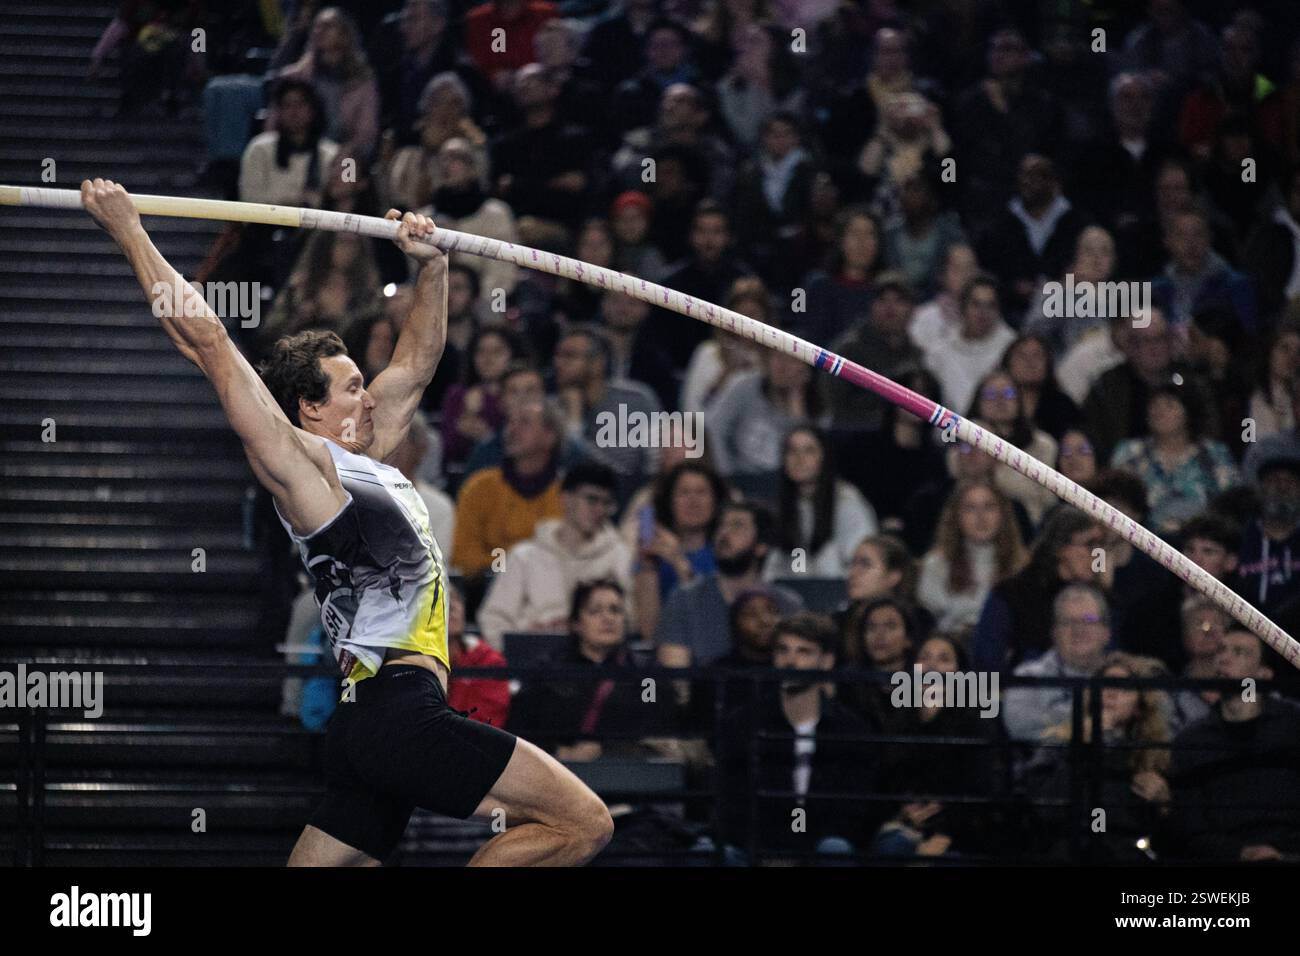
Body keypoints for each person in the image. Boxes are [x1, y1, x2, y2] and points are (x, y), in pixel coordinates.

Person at [78, 179, 611, 866]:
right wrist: (128, 228)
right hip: (400, 711)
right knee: (584, 822)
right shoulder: (307, 470)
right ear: (309, 409)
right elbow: (207, 341)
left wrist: (433, 266)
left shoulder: (368, 456)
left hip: (367, 726)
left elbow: (417, 365)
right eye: (354, 387)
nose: (372, 395)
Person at [715, 612, 882, 859]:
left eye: (803, 652)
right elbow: (734, 804)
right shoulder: (743, 724)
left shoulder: (850, 730)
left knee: (835, 849)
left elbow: (853, 812)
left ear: (826, 661)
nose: (790, 661)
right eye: (783, 650)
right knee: (723, 853)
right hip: (758, 846)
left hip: (821, 846)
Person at [1166, 630, 1300, 862]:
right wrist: (1239, 853)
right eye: (1221, 650)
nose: (1224, 658)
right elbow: (1189, 825)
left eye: (1240, 653)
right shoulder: (1192, 740)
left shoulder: (1294, 727)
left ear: (1263, 673)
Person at [1028, 651, 1173, 862]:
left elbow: (1168, 838)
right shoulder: (1057, 743)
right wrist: (1080, 750)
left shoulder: (1154, 755)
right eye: (1104, 685)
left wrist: (1164, 803)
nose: (1110, 694)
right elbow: (1043, 811)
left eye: (1122, 688)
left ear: (1139, 708)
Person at [507, 578, 673, 761]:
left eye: (615, 610)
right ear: (576, 623)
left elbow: (660, 729)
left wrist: (606, 750)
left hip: (629, 772)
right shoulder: (548, 672)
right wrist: (561, 752)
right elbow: (520, 732)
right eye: (595, 611)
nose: (608, 618)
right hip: (557, 772)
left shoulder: (647, 675)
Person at [477, 462, 633, 649]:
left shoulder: (619, 555)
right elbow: (493, 618)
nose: (600, 510)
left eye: (606, 503)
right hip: (531, 665)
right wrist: (522, 642)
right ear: (566, 499)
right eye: (592, 500)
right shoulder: (524, 556)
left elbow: (630, 619)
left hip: (598, 664)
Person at [972, 510, 1109, 673]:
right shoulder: (1011, 595)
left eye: (1101, 546)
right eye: (1090, 545)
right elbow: (987, 663)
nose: (1098, 555)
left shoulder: (1102, 599)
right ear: (1060, 548)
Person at [451, 399, 565, 583]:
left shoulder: (566, 496)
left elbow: (564, 558)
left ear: (549, 436)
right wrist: (513, 565)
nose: (512, 429)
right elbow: (464, 556)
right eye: (510, 422)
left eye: (524, 422)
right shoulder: (479, 487)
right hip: (485, 591)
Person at [1109, 383, 1241, 533]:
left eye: (1169, 405)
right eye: (1154, 405)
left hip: (1202, 541)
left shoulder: (1214, 455)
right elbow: (1114, 504)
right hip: (1141, 541)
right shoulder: (1130, 452)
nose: (1159, 411)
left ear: (1189, 413)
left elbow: (1231, 506)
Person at [1002, 584, 1115, 748]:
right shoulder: (1027, 677)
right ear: (1054, 632)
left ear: (1106, 632)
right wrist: (1082, 728)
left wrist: (1058, 726)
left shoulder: (1127, 676)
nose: (1079, 629)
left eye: (1089, 620)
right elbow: (1022, 730)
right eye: (1068, 622)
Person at [917, 478, 1026, 639]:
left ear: (1003, 514)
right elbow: (926, 624)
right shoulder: (936, 565)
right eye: (970, 508)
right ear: (956, 516)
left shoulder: (1022, 565)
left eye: (989, 507)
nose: (981, 517)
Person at [764, 426, 878, 579]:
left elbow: (863, 562)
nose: (799, 459)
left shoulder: (848, 503)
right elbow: (785, 565)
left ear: (825, 458)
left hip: (841, 589)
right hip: (799, 591)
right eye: (792, 450)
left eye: (809, 451)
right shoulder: (785, 507)